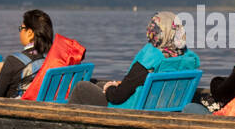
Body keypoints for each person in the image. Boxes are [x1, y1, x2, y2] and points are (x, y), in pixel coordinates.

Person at [69, 11, 200, 107]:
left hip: (131, 109)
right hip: (163, 105)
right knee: (98, 85)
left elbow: (117, 97)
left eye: (153, 28)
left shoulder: (151, 59)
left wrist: (109, 89)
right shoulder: (185, 58)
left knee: (82, 87)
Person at [0, 9, 86, 100]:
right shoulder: (54, 61)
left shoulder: (13, 61)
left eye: (21, 28)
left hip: (20, 106)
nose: (20, 32)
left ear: (30, 33)